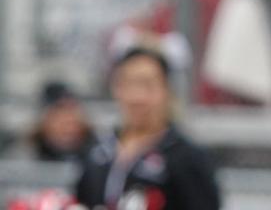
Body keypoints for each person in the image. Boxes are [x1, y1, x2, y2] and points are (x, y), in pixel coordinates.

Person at [75, 46, 221, 209]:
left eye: (147, 85)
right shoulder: (98, 151)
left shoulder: (187, 157)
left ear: (166, 90)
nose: (137, 96)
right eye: (128, 84)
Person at [27, 81, 94, 162]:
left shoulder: (98, 154)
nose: (68, 125)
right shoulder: (25, 156)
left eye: (71, 112)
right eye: (58, 113)